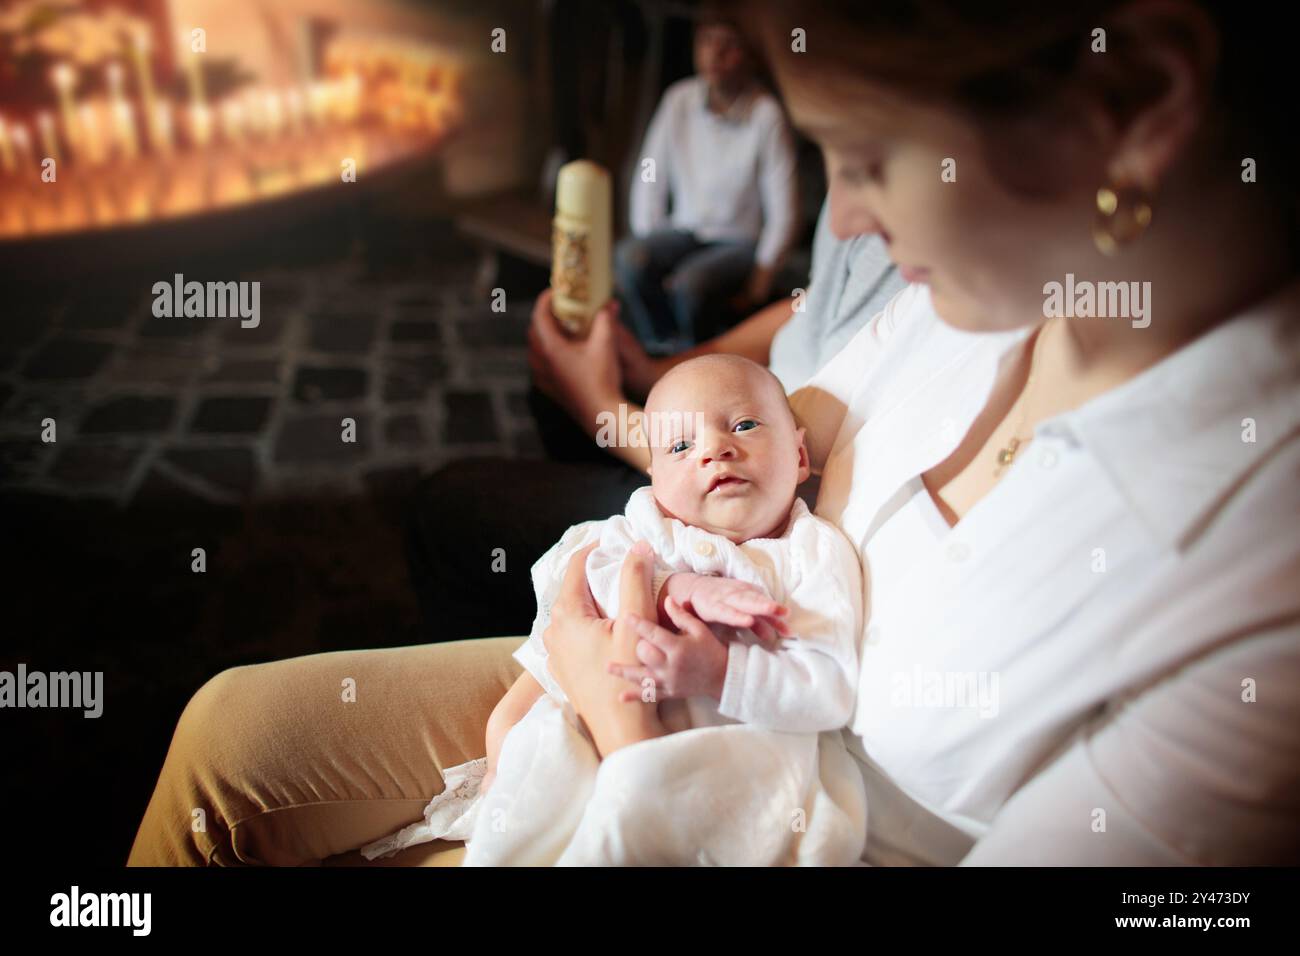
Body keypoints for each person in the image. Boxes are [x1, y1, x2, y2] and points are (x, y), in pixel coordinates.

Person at [128, 0, 1299, 867]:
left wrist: (627, 724)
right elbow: (766, 413)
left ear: (1134, 104)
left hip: (746, 821)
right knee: (233, 734)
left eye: (866, 154)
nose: (842, 218)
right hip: (639, 676)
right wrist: (618, 448)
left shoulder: (1261, 605)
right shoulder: (985, 303)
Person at [362, 355, 865, 865]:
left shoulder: (812, 552)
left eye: (745, 425)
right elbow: (584, 578)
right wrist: (674, 587)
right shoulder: (647, 532)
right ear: (655, 480)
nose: (714, 449)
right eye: (680, 446)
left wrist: (718, 671)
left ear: (800, 456)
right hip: (582, 749)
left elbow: (831, 689)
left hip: (734, 777)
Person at [409, 201, 902, 644]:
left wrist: (600, 405)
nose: (836, 214)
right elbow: (809, 305)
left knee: (444, 507)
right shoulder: (859, 190)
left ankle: (493, 635)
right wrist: (662, 372)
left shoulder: (814, 555)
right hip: (736, 414)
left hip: (750, 490)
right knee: (548, 395)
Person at [615, 1, 799, 352]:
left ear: (749, 55)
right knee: (629, 258)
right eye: (707, 41)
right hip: (685, 232)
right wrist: (652, 243)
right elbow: (649, 177)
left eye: (728, 45)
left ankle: (699, 356)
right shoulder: (679, 100)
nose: (715, 54)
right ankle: (662, 345)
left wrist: (762, 277)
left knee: (691, 284)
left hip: (738, 242)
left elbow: (784, 208)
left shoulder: (766, 115)